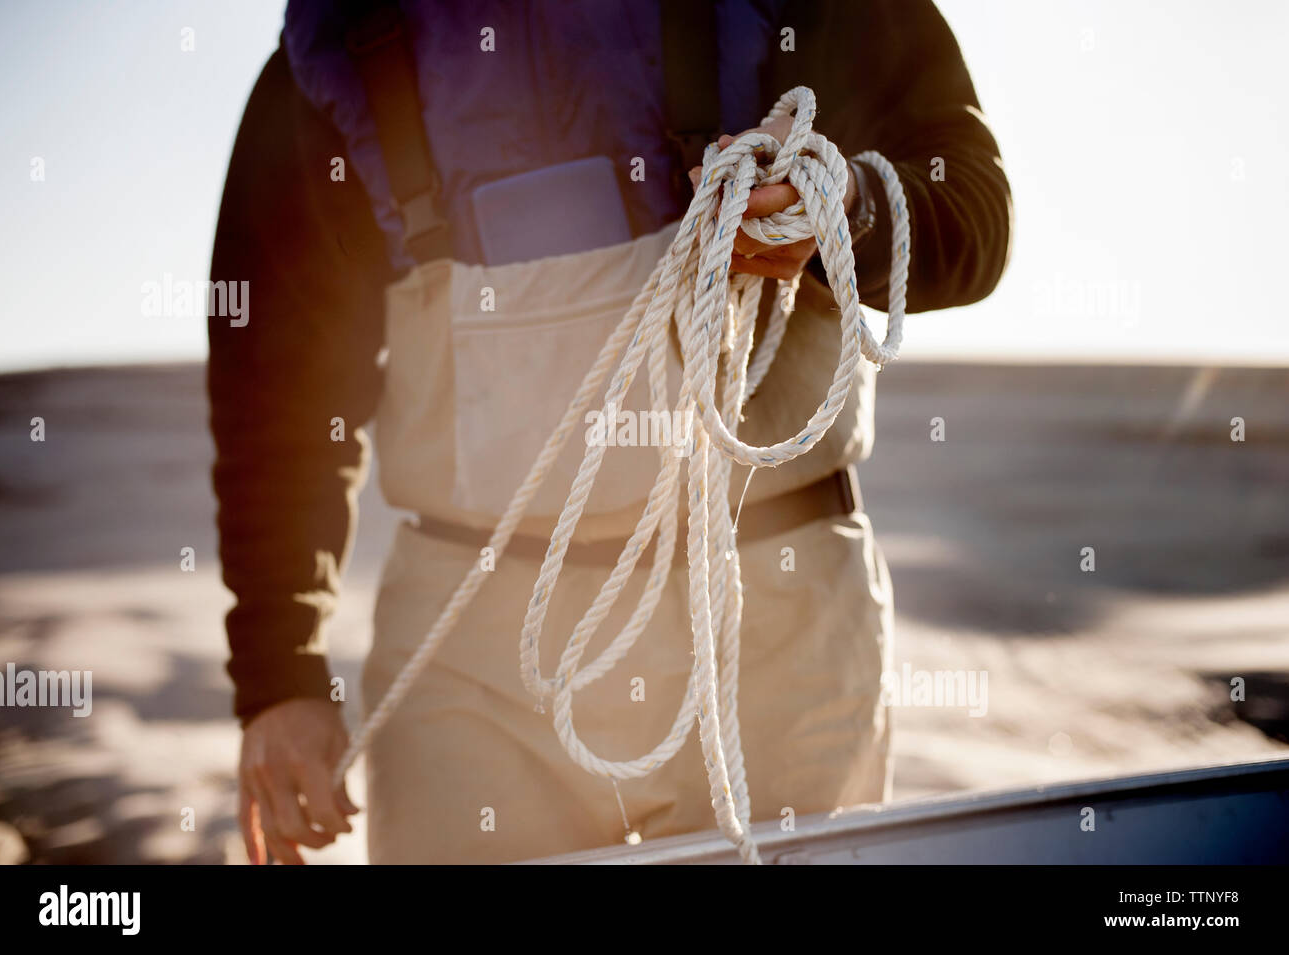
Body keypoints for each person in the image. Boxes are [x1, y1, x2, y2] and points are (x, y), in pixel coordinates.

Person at [209, 0, 1012, 864]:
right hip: (474, 661)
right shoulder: (338, 47)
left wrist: (842, 209)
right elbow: (276, 388)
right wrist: (279, 674)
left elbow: (973, 205)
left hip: (779, 625)